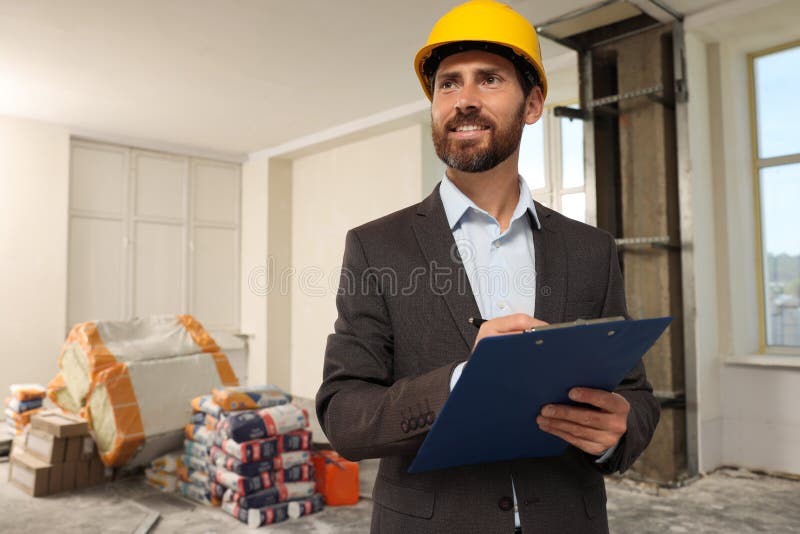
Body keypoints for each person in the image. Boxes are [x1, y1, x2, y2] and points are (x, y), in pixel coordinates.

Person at [315, 1, 660, 532]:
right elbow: (345, 416)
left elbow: (634, 397)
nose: (464, 100)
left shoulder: (591, 250)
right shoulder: (376, 248)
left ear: (533, 104)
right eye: (448, 84)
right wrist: (459, 382)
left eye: (490, 79)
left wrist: (618, 429)